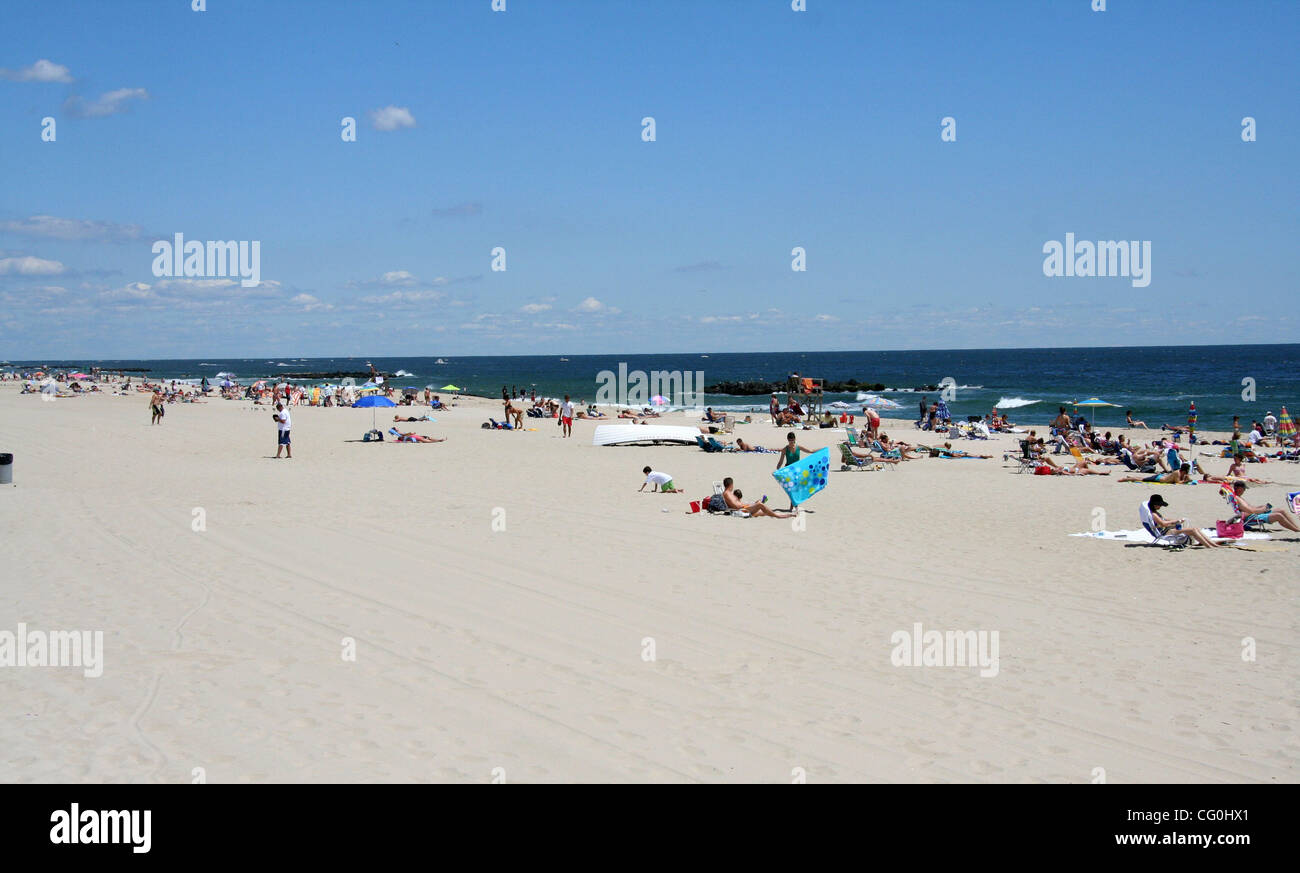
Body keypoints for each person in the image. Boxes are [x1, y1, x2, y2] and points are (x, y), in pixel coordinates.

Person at [1145, 495, 1221, 548]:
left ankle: (1212, 544)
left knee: (1196, 529)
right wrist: (1175, 521)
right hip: (1166, 532)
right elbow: (1163, 523)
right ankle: (1209, 546)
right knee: (1193, 530)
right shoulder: (1154, 514)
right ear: (1154, 504)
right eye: (1159, 505)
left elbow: (1164, 520)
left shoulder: (1155, 512)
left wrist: (1177, 520)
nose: (1160, 506)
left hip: (1168, 530)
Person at [1225, 481, 1300, 532]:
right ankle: (1296, 530)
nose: (1244, 490)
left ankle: (1297, 527)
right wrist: (1263, 509)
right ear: (1240, 489)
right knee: (1278, 515)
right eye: (1244, 489)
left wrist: (1260, 507)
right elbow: (1251, 511)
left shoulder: (1238, 497)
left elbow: (1249, 508)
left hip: (1253, 515)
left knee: (1281, 510)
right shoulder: (1239, 499)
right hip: (1251, 518)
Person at [775, 432, 814, 512]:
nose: (791, 442)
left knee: (796, 489)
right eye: (790, 440)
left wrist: (821, 450)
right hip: (788, 472)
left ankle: (792, 507)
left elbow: (810, 451)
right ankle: (793, 507)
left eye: (792, 440)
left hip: (797, 471)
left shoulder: (798, 447)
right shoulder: (785, 449)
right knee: (792, 489)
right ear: (788, 440)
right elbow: (780, 462)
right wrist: (777, 470)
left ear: (795, 439)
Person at [723, 479, 794, 518]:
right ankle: (777, 516)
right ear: (731, 485)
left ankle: (781, 514)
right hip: (742, 510)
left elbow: (735, 503)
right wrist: (744, 505)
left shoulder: (729, 493)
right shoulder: (727, 493)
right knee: (760, 504)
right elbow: (736, 506)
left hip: (744, 508)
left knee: (762, 512)